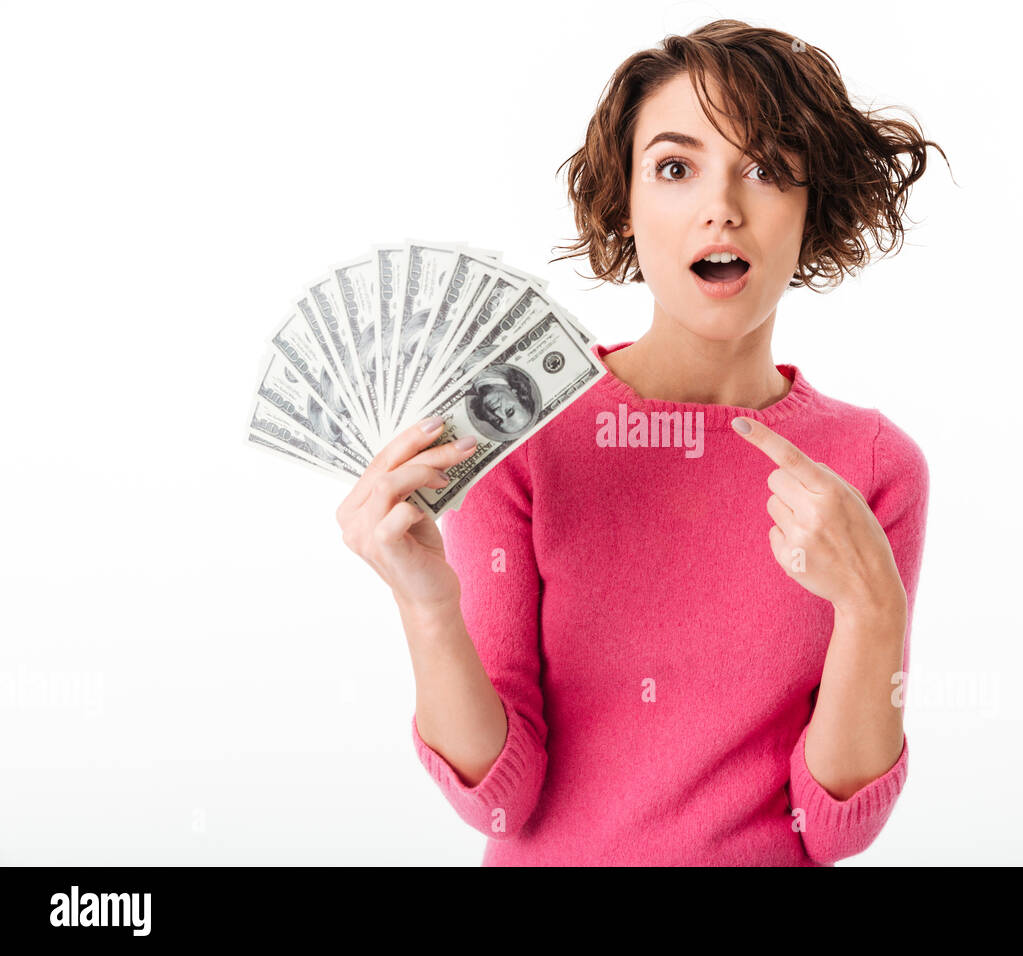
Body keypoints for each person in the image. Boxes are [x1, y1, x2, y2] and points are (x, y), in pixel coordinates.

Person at [336, 18, 945, 866]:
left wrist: (872, 608)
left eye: (766, 169)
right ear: (625, 206)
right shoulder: (523, 429)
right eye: (674, 166)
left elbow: (837, 827)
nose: (721, 207)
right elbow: (502, 804)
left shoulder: (876, 467)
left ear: (813, 210)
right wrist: (427, 605)